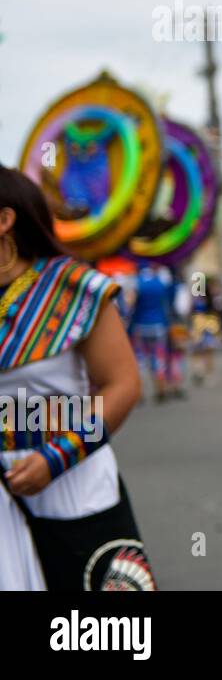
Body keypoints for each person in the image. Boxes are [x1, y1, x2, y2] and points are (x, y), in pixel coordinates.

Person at [0, 166, 156, 590]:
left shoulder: (75, 289)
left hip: (75, 481)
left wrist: (57, 457)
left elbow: (122, 385)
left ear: (5, 220)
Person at [127, 262, 180, 402]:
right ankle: (160, 390)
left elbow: (130, 305)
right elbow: (170, 301)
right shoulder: (160, 282)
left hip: (140, 326)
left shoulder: (137, 282)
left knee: (140, 361)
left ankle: (140, 393)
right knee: (158, 359)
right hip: (158, 325)